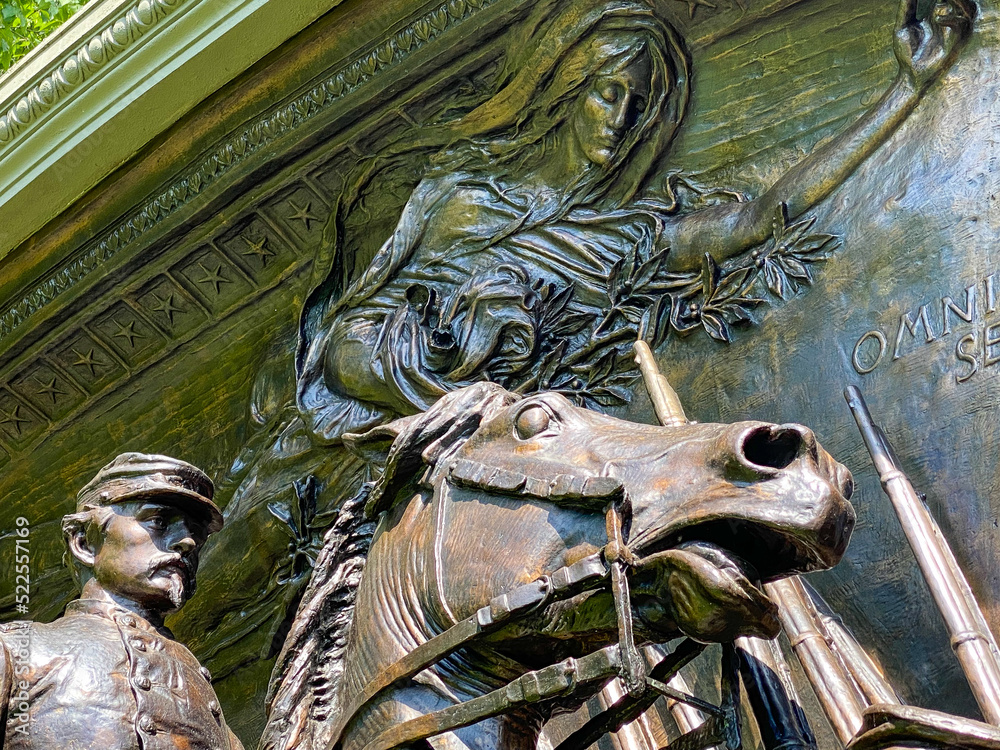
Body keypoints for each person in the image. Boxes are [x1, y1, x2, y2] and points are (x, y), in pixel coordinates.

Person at [294, 0, 974, 444]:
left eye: (637, 104)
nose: (620, 121)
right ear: (568, 93)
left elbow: (763, 215)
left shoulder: (631, 239)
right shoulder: (466, 201)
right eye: (607, 93)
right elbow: (345, 346)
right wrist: (450, 390)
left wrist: (905, 91)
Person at [0, 453, 244, 750]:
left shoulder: (204, 696)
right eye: (159, 521)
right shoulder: (17, 652)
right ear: (84, 543)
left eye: (196, 533)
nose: (188, 542)